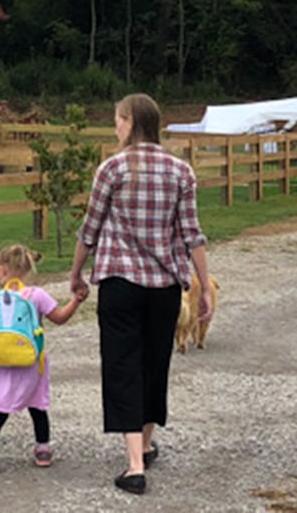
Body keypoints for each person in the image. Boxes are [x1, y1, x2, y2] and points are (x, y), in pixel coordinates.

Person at [68, 93, 212, 495]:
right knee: (154, 364)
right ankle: (145, 444)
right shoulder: (180, 171)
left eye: (117, 120)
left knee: (122, 366)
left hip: (119, 284)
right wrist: (204, 286)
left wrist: (76, 271)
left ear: (130, 121)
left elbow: (90, 228)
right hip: (164, 287)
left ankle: (134, 466)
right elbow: (191, 234)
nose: (116, 127)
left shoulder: (112, 169)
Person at [0, 244, 84, 474]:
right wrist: (76, 301)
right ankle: (42, 448)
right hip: (31, 363)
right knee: (37, 406)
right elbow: (59, 318)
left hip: (1, 362)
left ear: (2, 271)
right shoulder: (36, 295)